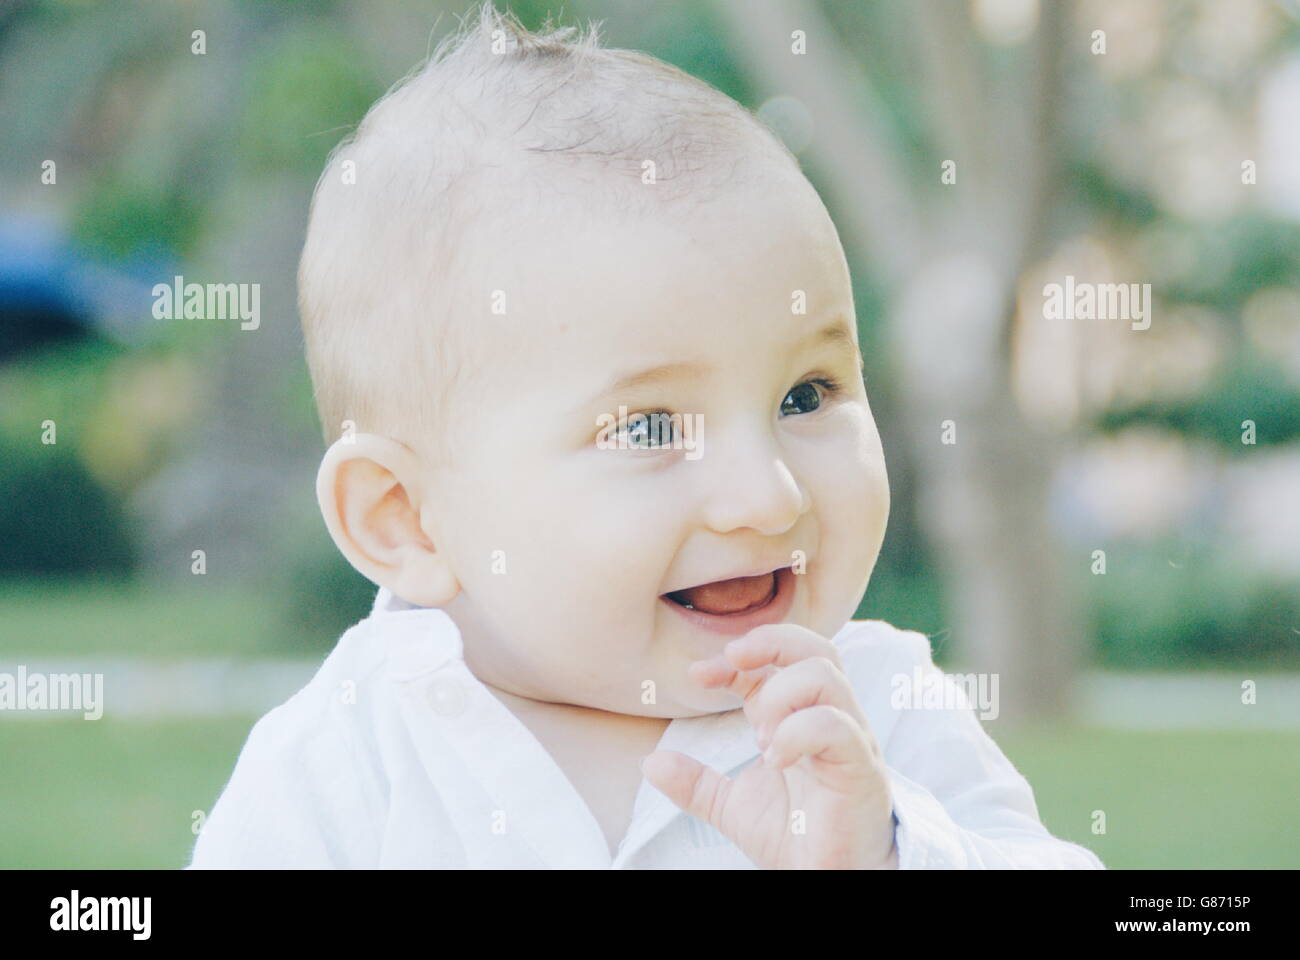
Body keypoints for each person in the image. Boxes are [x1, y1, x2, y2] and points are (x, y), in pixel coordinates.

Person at [188, 2, 1103, 869]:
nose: (769, 495)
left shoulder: (873, 712)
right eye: (652, 426)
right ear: (406, 521)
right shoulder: (343, 767)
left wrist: (884, 852)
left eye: (805, 394)